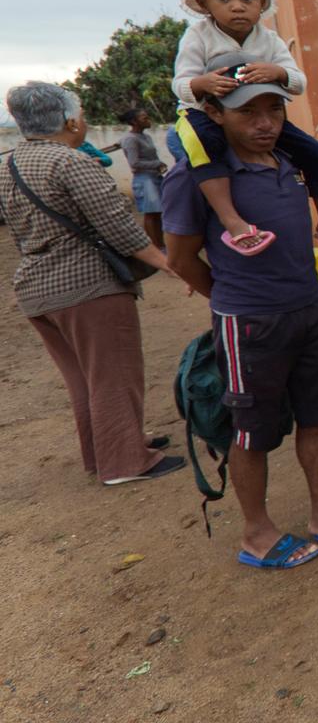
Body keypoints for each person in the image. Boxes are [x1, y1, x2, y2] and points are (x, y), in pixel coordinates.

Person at [162, 72, 318, 569]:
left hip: (312, 311)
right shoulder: (196, 177)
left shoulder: (290, 162)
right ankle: (257, 534)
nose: (266, 124)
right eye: (248, 112)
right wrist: (234, 300)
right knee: (251, 431)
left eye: (275, 110)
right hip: (251, 325)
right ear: (214, 114)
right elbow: (180, 258)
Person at [0, 82, 182, 485]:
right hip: (87, 287)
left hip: (35, 290)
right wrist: (168, 263)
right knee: (114, 373)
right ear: (69, 121)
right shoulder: (71, 162)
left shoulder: (9, 165)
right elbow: (118, 226)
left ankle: (106, 451)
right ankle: (126, 462)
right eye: (80, 113)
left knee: (83, 379)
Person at [170, 0, 318, 255]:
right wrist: (202, 84)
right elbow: (180, 84)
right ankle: (231, 220)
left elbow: (298, 81)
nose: (237, 6)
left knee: (314, 151)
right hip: (204, 112)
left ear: (262, 2)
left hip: (255, 111)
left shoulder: (269, 40)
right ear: (204, 3)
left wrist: (278, 72)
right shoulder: (198, 36)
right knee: (203, 147)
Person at [118, 108, 167, 250]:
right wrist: (157, 164)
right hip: (145, 179)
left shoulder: (146, 137)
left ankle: (160, 244)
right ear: (134, 121)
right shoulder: (130, 139)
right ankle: (156, 246)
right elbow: (134, 163)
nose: (148, 120)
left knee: (157, 213)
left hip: (154, 177)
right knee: (151, 213)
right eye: (144, 118)